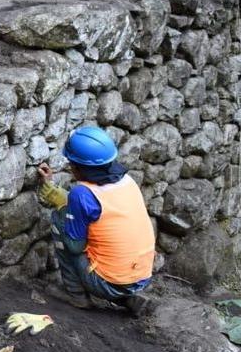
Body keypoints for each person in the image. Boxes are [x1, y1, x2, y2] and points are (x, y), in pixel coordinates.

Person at [37, 126, 154, 315]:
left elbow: (74, 246)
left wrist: (65, 213)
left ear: (78, 167)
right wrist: (52, 188)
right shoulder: (127, 182)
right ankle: (126, 297)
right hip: (141, 276)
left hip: (107, 282)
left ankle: (77, 296)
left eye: (71, 163)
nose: (70, 166)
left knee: (61, 220)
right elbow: (95, 210)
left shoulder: (81, 194)